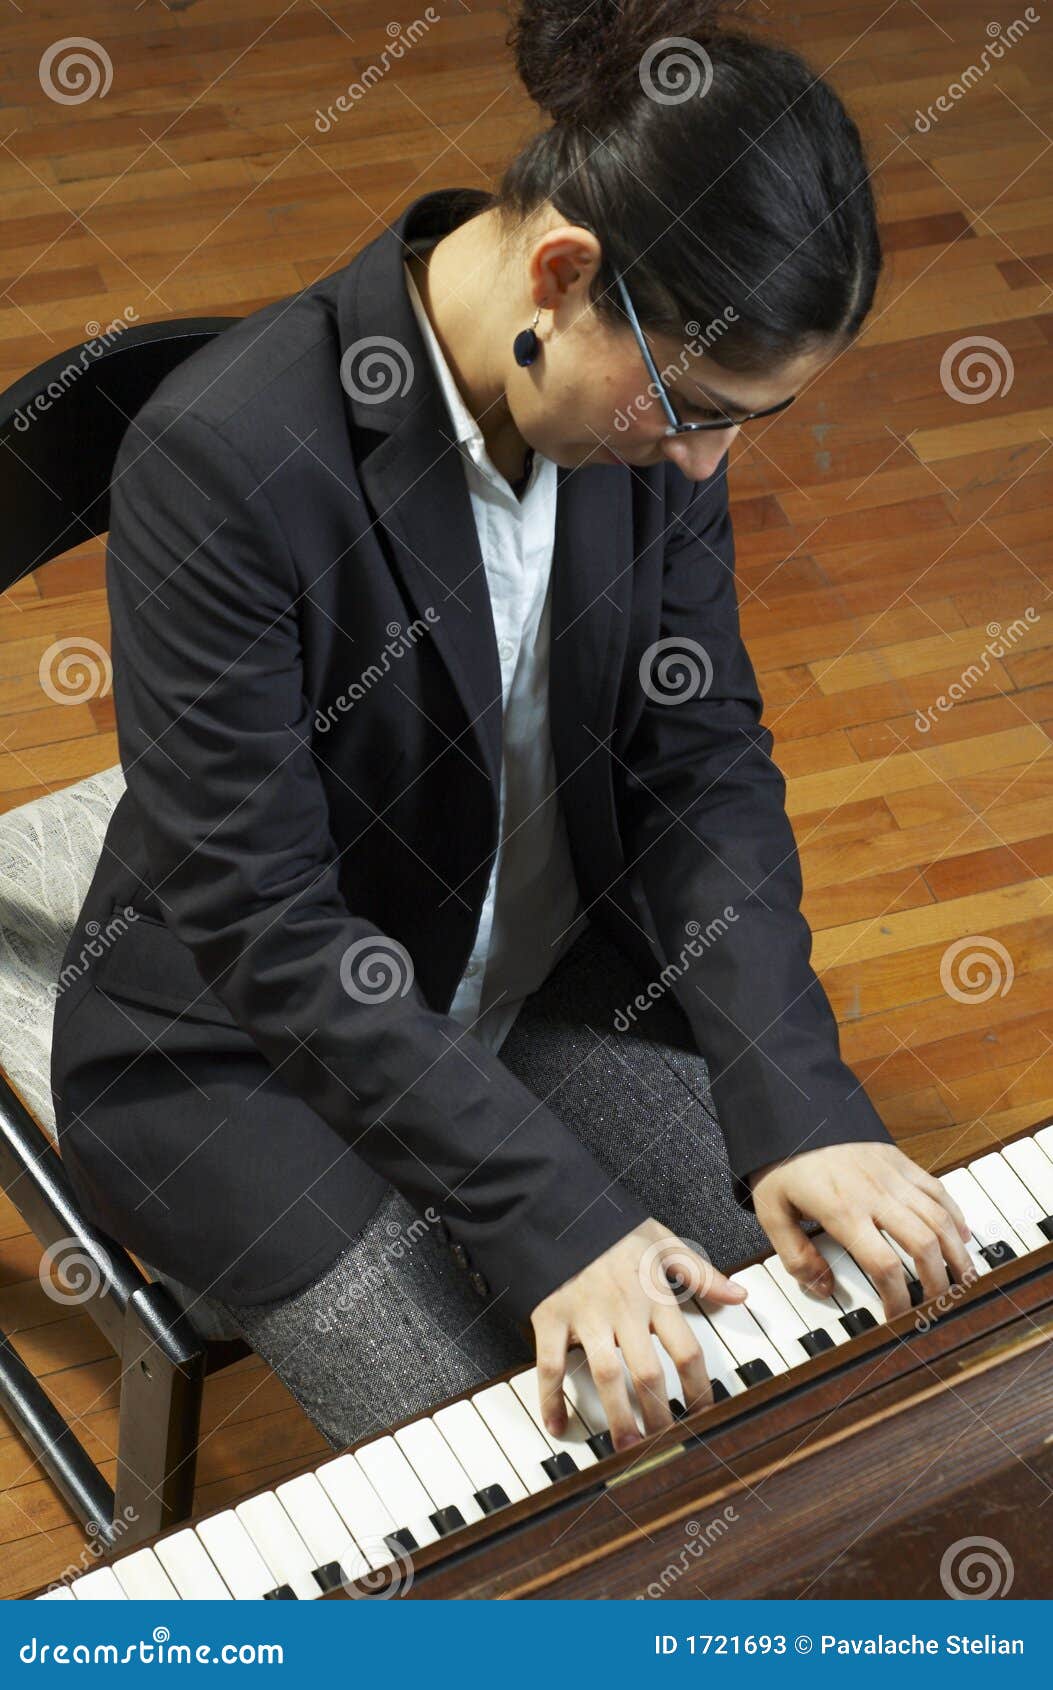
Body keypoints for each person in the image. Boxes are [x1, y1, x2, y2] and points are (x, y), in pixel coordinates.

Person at [50, 0, 971, 1458]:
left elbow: (698, 765)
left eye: (747, 419)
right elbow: (269, 928)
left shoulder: (643, 401)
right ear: (562, 272)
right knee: (541, 1477)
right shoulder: (220, 458)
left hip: (527, 975)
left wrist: (801, 1100)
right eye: (692, 405)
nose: (700, 460)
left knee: (830, 1367)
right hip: (244, 1051)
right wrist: (559, 1219)